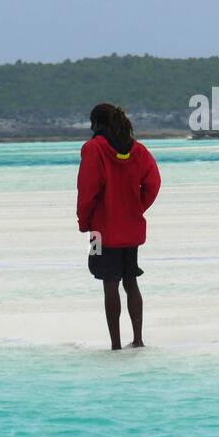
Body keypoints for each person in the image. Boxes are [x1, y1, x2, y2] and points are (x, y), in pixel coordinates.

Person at [76, 103, 161, 350]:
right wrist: (136, 208)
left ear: (96, 124)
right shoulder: (138, 150)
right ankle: (138, 339)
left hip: (99, 232)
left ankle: (115, 345)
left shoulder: (92, 149)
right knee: (130, 280)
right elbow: (153, 183)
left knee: (108, 282)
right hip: (131, 228)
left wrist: (84, 222)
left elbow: (87, 191)